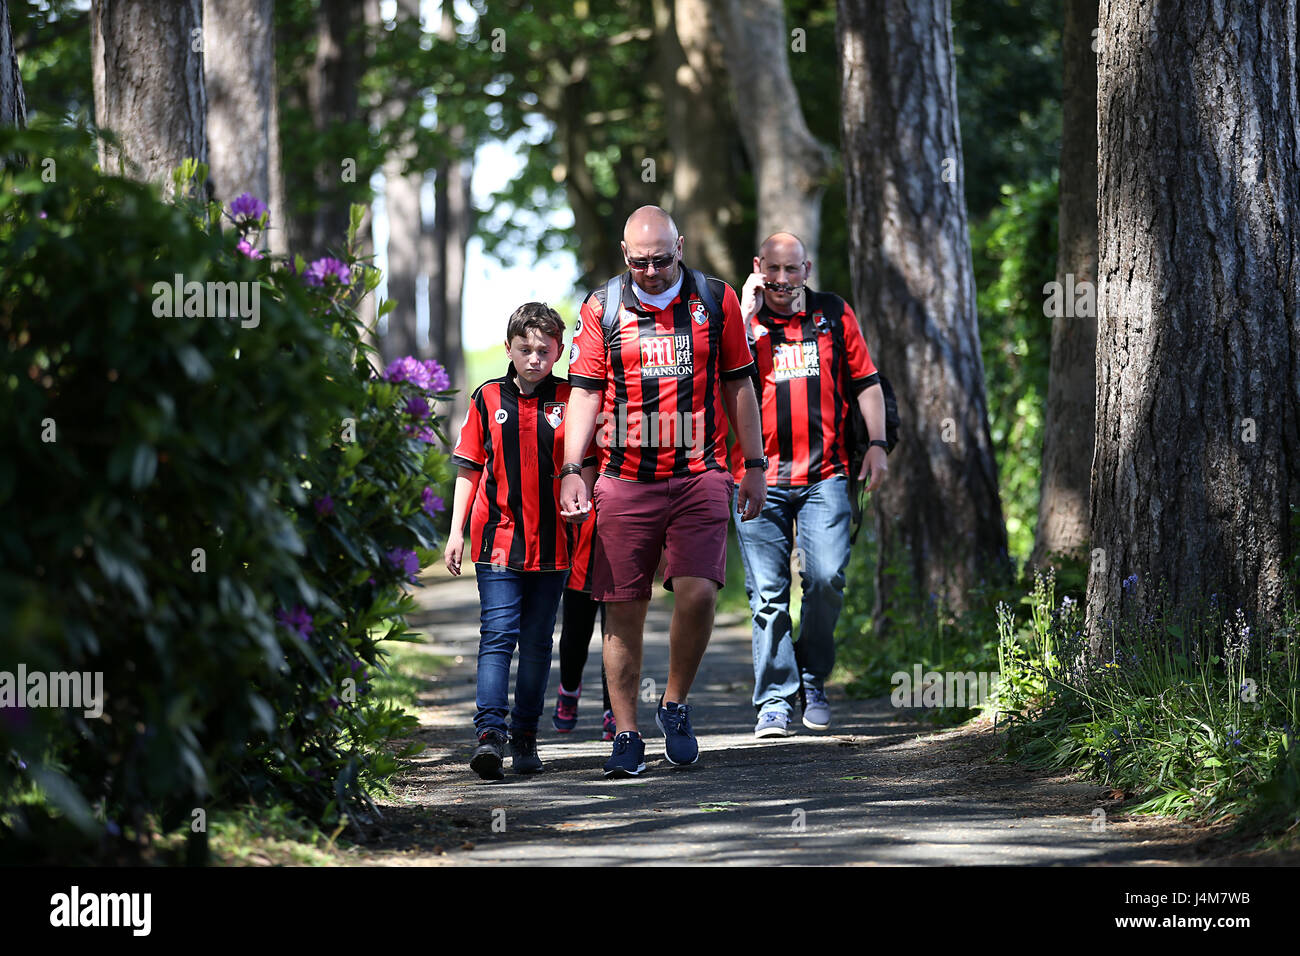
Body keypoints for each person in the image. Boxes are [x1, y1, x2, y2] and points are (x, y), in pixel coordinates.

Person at [559, 205, 767, 778]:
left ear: (680, 245)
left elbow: (739, 385)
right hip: (624, 480)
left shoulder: (714, 299)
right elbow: (583, 393)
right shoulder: (601, 307)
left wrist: (753, 464)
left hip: (699, 472)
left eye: (662, 259)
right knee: (624, 607)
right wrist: (573, 468)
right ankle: (626, 732)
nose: (651, 271)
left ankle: (674, 704)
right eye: (639, 262)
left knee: (698, 593)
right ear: (625, 255)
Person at [731, 232, 888, 739]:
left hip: (827, 474)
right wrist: (743, 309)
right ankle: (775, 699)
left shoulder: (833, 314)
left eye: (791, 269)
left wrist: (879, 445)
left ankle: (812, 676)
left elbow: (866, 381)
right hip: (758, 478)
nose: (781, 279)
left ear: (807, 269)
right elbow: (716, 376)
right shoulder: (740, 320)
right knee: (768, 596)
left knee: (825, 580)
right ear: (758, 267)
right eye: (772, 269)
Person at [445, 302, 596, 779]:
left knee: (535, 644)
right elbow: (469, 469)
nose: (534, 358)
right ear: (509, 347)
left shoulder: (571, 399)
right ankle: (490, 734)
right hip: (497, 544)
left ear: (558, 350)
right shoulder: (487, 397)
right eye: (524, 348)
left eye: (544, 350)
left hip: (554, 546)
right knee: (497, 638)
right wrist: (455, 534)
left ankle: (526, 738)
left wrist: (587, 504)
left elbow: (588, 461)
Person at [551, 512, 616, 740]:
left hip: (619, 555)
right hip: (580, 554)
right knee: (576, 637)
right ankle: (568, 690)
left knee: (616, 638)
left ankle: (613, 709)